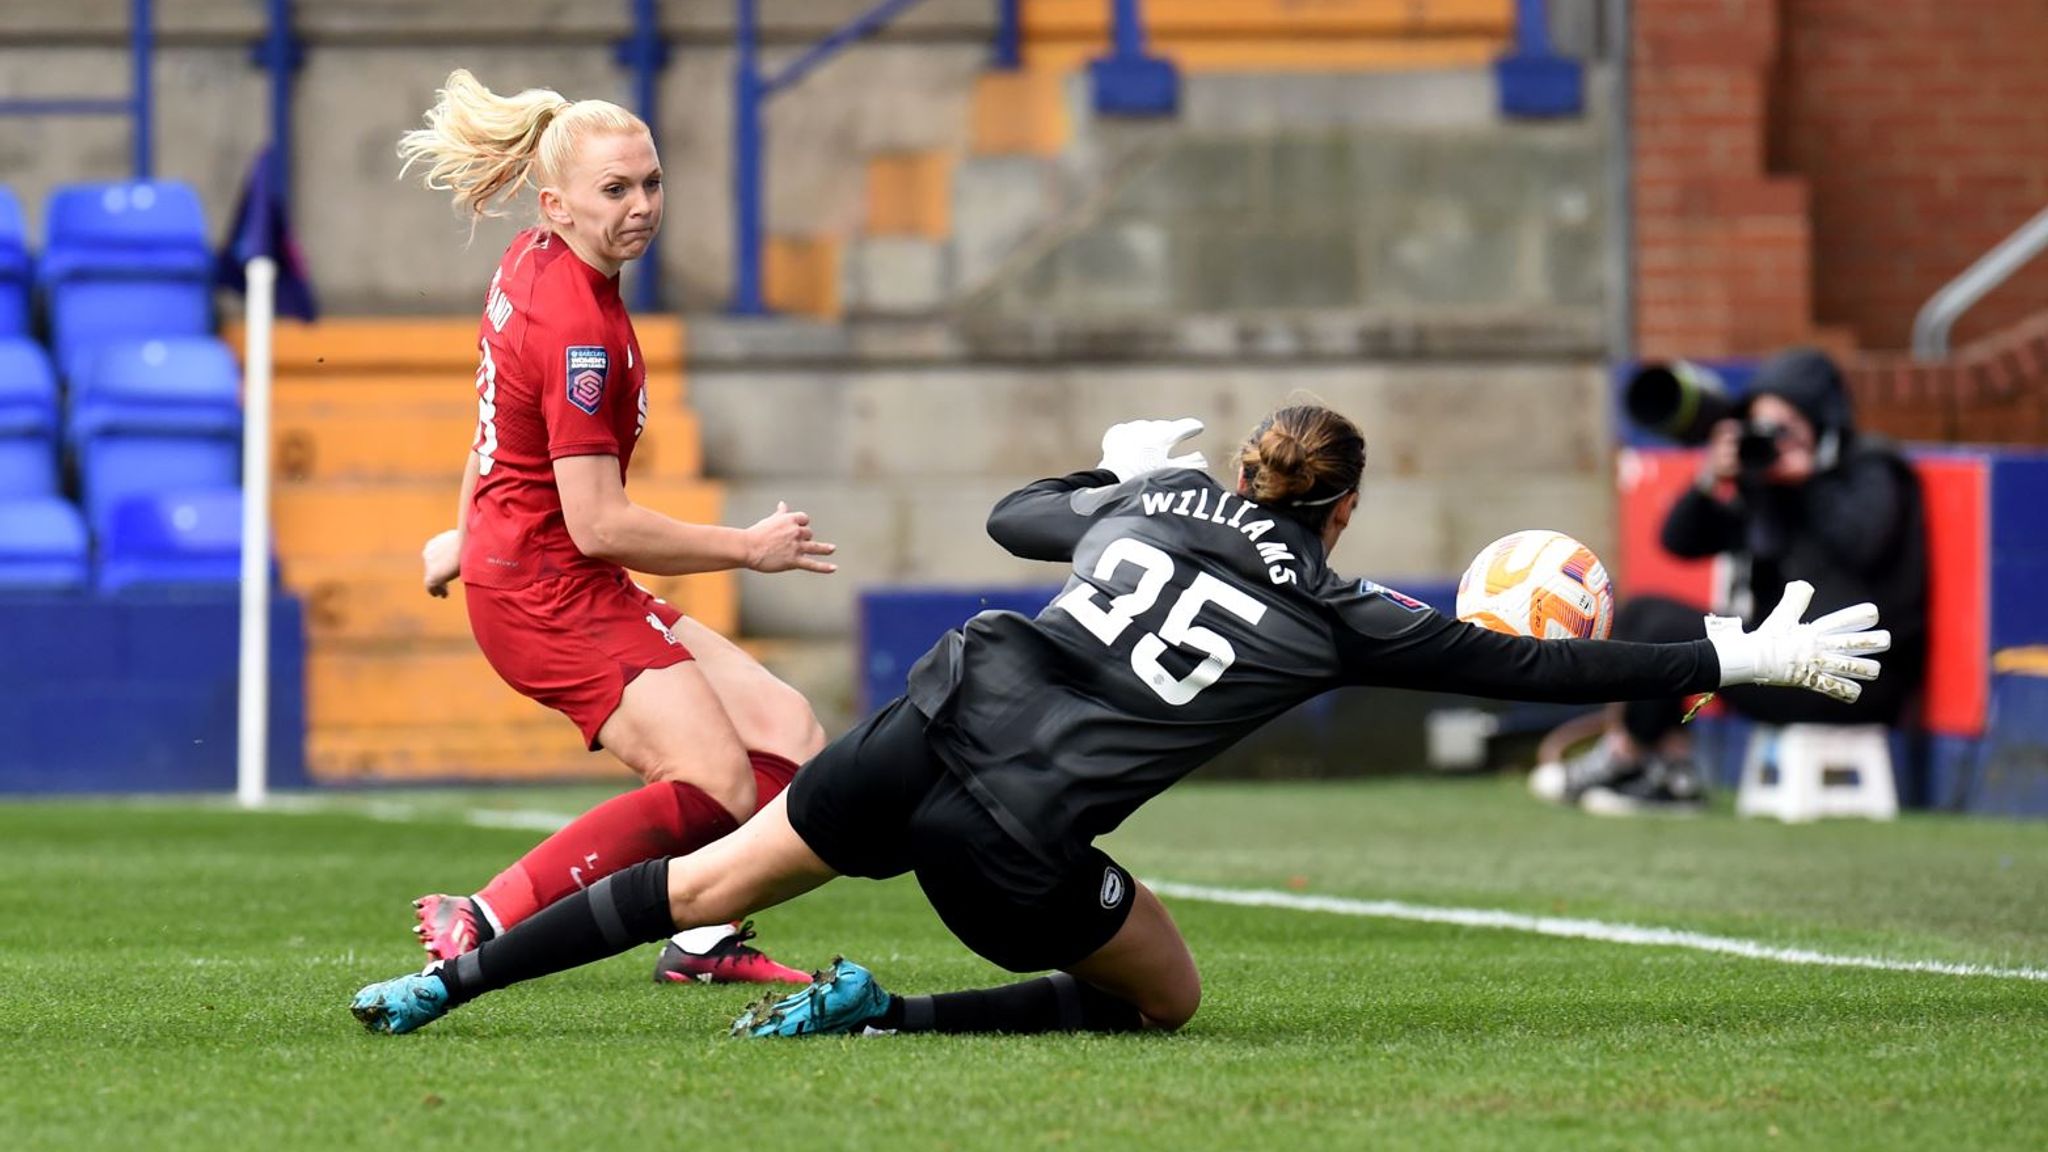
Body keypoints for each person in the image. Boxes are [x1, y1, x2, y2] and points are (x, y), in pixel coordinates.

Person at [351, 404, 1888, 1039]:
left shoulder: (1168, 498)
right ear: (1346, 507)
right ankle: (885, 1017)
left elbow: (1021, 515)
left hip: (937, 708)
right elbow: (1542, 678)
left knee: (704, 888)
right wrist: (1734, 650)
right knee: (1167, 998)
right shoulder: (1340, 615)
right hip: (1008, 830)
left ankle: (448, 984)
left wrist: (1115, 476)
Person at [392, 69, 839, 984]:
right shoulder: (579, 330)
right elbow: (598, 524)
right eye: (616, 190)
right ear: (556, 203)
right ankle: (483, 913)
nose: (641, 206)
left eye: (652, 183)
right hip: (548, 592)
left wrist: (464, 534)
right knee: (713, 783)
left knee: (788, 737)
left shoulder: (534, 259)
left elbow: (495, 420)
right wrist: (748, 549)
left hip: (537, 567)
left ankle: (705, 939)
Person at [1532, 347, 1928, 815]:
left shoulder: (1872, 467)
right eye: (1763, 428)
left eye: (1784, 428)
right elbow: (1679, 541)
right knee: (1644, 613)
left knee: (1666, 632)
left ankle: (1631, 757)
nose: (1772, 442)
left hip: (1853, 677)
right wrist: (1710, 478)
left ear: (1820, 421)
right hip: (1781, 660)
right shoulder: (1767, 487)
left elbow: (1866, 542)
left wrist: (1809, 480)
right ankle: (1666, 765)